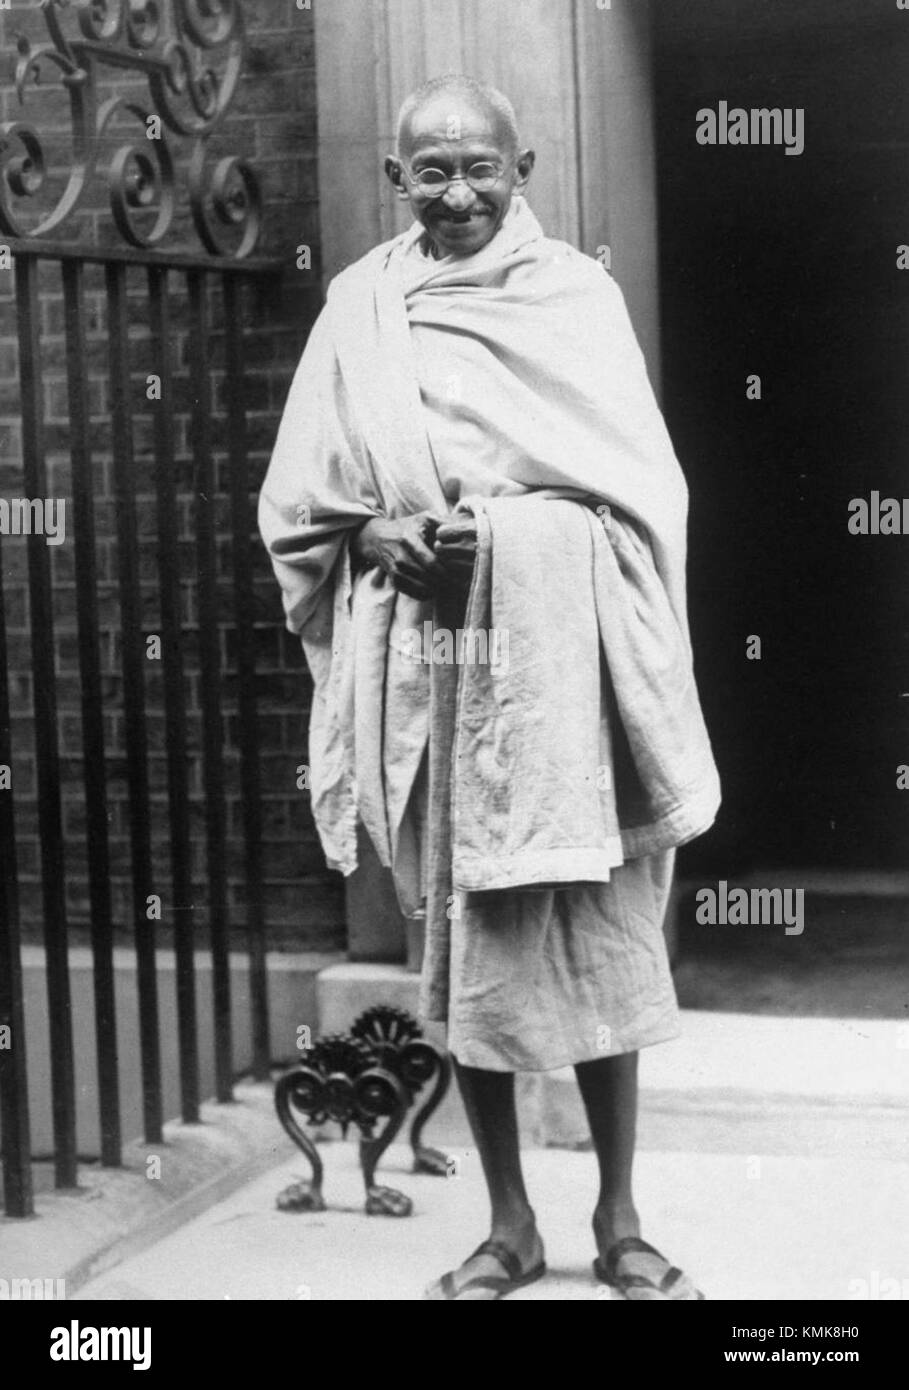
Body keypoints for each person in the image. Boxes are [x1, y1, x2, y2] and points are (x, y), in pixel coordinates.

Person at [259, 74, 721, 1301]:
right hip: (435, 675)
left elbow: (642, 502)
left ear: (523, 171)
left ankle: (621, 1216)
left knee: (603, 936)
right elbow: (301, 507)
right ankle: (510, 1221)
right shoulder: (359, 308)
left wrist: (517, 541)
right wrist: (375, 540)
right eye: (432, 172)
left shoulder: (576, 295)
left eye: (481, 168)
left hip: (571, 676)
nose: (457, 193)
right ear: (395, 181)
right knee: (465, 950)